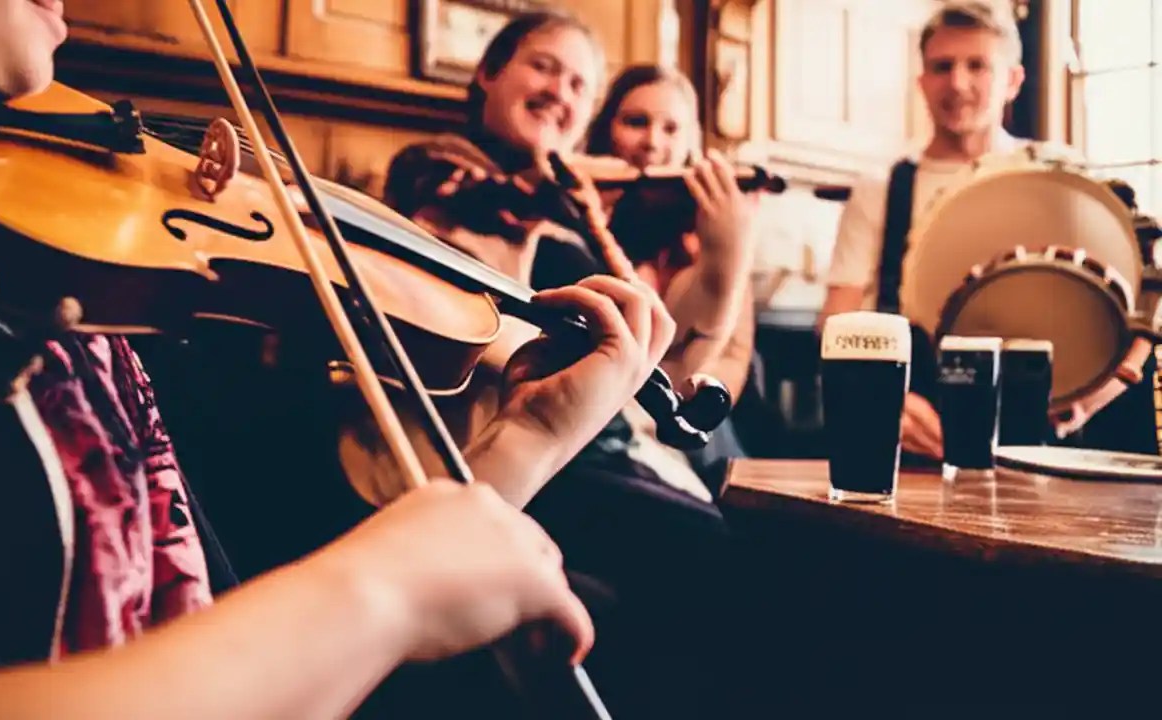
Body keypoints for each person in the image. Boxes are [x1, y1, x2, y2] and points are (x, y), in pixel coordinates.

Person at [0, 2, 679, 717]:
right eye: (544, 66)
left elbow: (243, 633)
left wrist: (525, 440)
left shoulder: (12, 235)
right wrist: (379, 592)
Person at [383, 11, 747, 717]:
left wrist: (719, 251)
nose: (560, 90)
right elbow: (481, 201)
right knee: (705, 544)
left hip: (583, 436)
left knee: (723, 539)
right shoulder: (436, 166)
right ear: (488, 74)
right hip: (501, 435)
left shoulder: (569, 212)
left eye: (579, 82)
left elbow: (663, 345)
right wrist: (565, 195)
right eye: (543, 67)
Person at [818, 0, 1158, 459]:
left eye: (977, 65)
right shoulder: (881, 188)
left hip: (1057, 433)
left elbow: (1148, 306)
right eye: (942, 67)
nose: (957, 83)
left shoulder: (1062, 173)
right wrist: (886, 398)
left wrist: (1097, 392)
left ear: (1013, 80)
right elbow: (834, 325)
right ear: (922, 81)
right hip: (926, 433)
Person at [584, 62, 761, 470]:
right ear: (606, 128)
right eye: (635, 122)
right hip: (607, 416)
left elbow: (733, 356)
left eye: (670, 129)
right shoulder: (582, 215)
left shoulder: (712, 226)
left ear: (690, 144)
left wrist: (702, 400)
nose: (651, 143)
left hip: (698, 416)